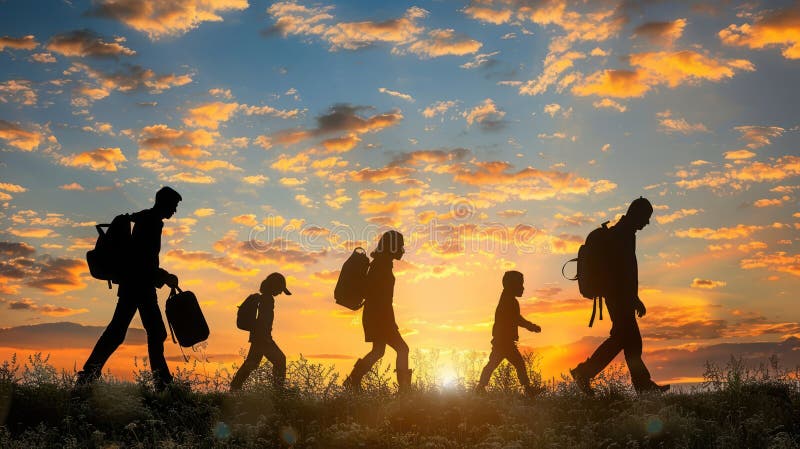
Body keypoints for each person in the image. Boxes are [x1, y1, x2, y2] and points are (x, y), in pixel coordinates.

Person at [76, 187, 182, 390]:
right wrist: (164, 276)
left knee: (119, 331)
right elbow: (142, 260)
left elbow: (142, 259)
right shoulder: (150, 223)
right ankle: (163, 385)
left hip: (134, 285)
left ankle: (88, 376)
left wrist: (161, 276)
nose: (175, 211)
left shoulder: (145, 219)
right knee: (152, 332)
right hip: (139, 286)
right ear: (164, 203)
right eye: (174, 206)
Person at [570, 197, 669, 395]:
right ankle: (584, 372)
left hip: (619, 296)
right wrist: (633, 298)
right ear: (636, 214)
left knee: (630, 341)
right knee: (622, 339)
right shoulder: (623, 235)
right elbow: (622, 274)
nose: (647, 223)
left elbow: (626, 273)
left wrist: (633, 297)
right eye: (646, 217)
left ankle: (642, 385)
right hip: (618, 297)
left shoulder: (624, 232)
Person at [344, 230, 411, 392]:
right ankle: (404, 391)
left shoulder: (380, 264)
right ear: (392, 247)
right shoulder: (381, 266)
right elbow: (380, 298)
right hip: (380, 316)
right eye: (400, 246)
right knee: (402, 349)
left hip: (375, 316)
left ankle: (352, 381)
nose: (402, 250)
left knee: (378, 351)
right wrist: (389, 321)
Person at [475, 271, 542, 397]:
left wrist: (530, 326)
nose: (522, 288)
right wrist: (531, 326)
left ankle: (480, 388)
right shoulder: (508, 301)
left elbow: (516, 318)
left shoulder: (508, 299)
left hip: (503, 341)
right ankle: (528, 390)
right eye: (520, 284)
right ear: (512, 285)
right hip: (503, 342)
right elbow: (517, 319)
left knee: (494, 364)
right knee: (515, 364)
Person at [230, 273, 291, 391]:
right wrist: (265, 338)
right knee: (280, 360)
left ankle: (234, 388)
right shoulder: (268, 299)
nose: (280, 293)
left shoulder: (263, 298)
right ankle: (278, 393)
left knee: (251, 364)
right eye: (280, 289)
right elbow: (264, 320)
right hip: (262, 339)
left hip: (259, 337)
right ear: (274, 286)